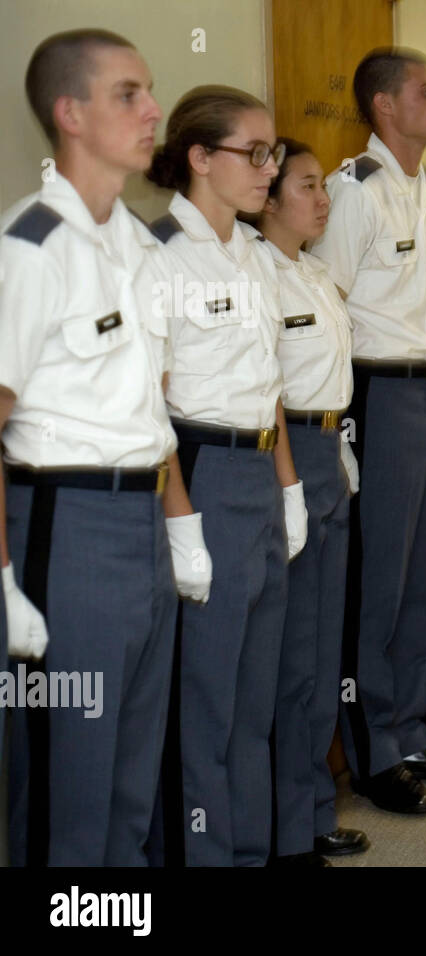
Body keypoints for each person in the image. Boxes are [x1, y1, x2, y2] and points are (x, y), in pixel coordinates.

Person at [2, 28, 212, 868]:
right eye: (128, 93)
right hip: (66, 528)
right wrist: (4, 579)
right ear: (70, 113)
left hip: (140, 528)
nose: (153, 109)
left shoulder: (134, 244)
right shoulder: (29, 250)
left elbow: (148, 412)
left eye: (150, 90)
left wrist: (181, 526)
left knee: (131, 773)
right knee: (70, 787)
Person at [309, 47, 426, 816]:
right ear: (384, 106)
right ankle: (375, 750)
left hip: (420, 392)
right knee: (377, 585)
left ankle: (411, 729)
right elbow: (329, 308)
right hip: (374, 394)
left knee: (419, 574)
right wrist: (340, 422)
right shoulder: (357, 191)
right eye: (424, 93)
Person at [145, 85, 307, 867]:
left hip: (257, 471)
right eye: (255, 153)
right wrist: (181, 521)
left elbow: (269, 379)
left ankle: (249, 851)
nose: (269, 171)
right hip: (199, 469)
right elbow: (148, 403)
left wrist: (289, 486)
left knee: (254, 696)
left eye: (273, 154)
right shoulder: (159, 257)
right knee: (205, 700)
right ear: (200, 159)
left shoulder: (251, 252)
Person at [247, 137, 370, 864]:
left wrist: (343, 448)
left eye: (323, 185)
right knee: (291, 659)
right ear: (270, 199)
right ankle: (285, 826)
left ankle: (316, 809)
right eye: (306, 185)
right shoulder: (260, 274)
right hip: (284, 461)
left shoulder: (317, 277)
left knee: (323, 652)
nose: (322, 199)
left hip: (329, 453)